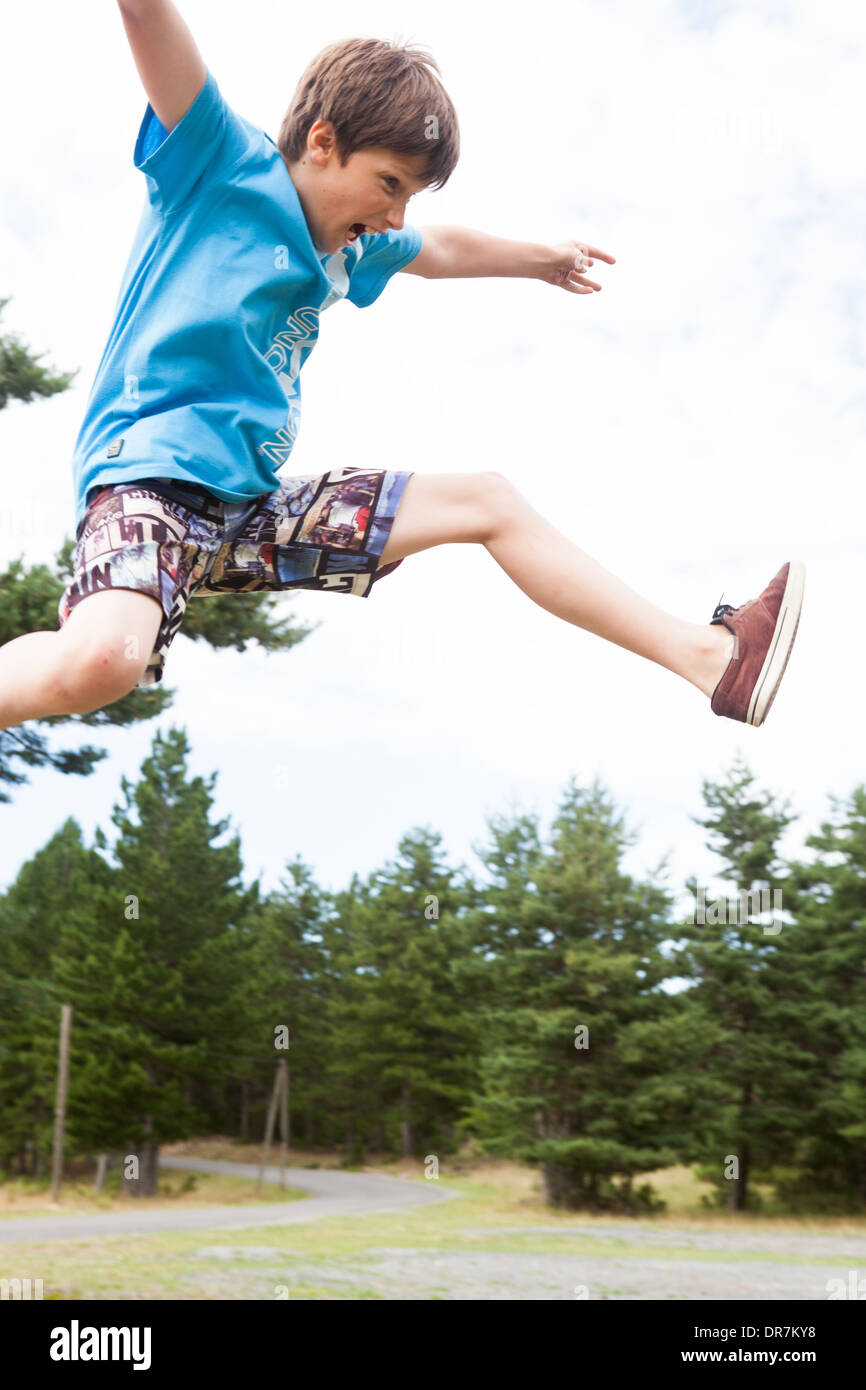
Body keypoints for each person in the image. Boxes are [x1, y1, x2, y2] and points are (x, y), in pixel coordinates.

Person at [0, 0, 804, 731]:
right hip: (147, 481)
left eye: (409, 195)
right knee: (104, 662)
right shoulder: (216, 163)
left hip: (251, 512)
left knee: (488, 501)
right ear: (320, 142)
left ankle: (710, 660)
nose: (393, 215)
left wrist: (542, 259)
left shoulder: (353, 249)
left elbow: (442, 247)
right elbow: (143, 13)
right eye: (387, 184)